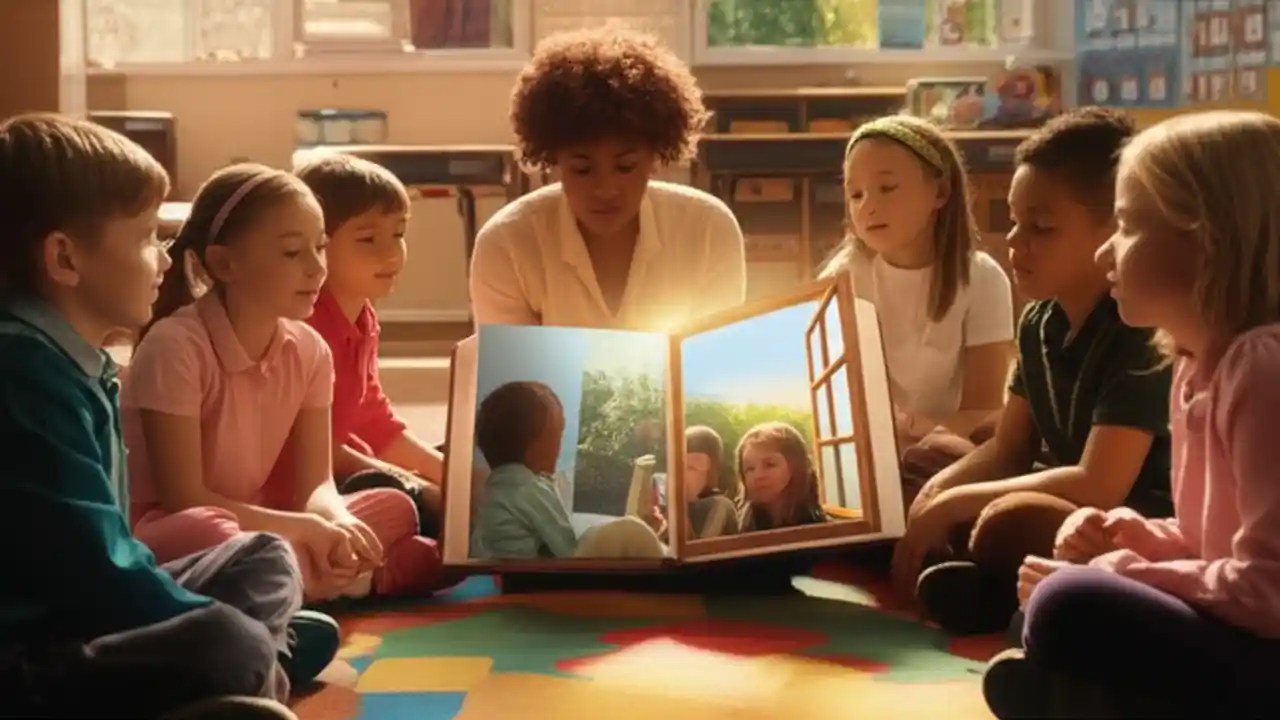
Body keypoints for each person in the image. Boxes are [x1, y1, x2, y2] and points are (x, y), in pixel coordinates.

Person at [0, 114, 309, 719]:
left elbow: (117, 561)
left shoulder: (76, 362)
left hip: (86, 612)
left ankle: (247, 675)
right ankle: (253, 665)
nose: (165, 260)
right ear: (64, 258)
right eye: (146, 237)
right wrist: (206, 621)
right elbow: (95, 574)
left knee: (263, 558)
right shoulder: (23, 371)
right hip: (31, 650)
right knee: (231, 640)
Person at [984, 110, 1280, 719]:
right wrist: (1133, 533)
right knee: (1063, 593)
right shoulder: (1195, 361)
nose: (1105, 249)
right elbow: (1210, 541)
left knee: (1070, 601)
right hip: (1246, 631)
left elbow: (1270, 591)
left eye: (1123, 225)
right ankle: (1066, 678)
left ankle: (1063, 679)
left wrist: (1128, 573)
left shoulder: (1262, 368)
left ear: (1205, 238)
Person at [896, 108, 1172, 636]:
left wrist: (951, 505)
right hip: (1056, 491)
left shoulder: (1141, 329)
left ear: (1115, 230)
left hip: (1123, 518)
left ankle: (1006, 593)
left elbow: (1098, 485)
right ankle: (986, 585)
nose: (1016, 242)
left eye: (1042, 228)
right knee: (923, 470)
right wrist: (934, 499)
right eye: (1014, 221)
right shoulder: (1038, 321)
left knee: (1006, 520)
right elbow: (1008, 447)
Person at [122, 163, 449, 601]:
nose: (317, 269)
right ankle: (354, 579)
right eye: (293, 253)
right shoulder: (175, 346)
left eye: (320, 248)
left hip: (262, 523)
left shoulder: (310, 350)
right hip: (170, 531)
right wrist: (307, 530)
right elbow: (185, 498)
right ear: (224, 262)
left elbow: (317, 484)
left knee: (394, 508)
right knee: (209, 530)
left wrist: (336, 521)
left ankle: (295, 583)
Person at [469, 26, 746, 332]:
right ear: (554, 159)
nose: (605, 189)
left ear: (654, 156)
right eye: (582, 169)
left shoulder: (707, 230)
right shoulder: (506, 244)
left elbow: (714, 369)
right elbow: (512, 378)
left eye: (625, 167)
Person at [818, 114, 1015, 504]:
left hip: (947, 448)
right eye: (855, 195)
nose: (869, 206)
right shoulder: (842, 278)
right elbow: (830, 399)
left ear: (940, 193)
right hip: (864, 448)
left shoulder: (983, 278)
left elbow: (984, 409)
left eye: (887, 187)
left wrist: (923, 431)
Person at [295, 153, 444, 537]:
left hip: (347, 458)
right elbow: (315, 450)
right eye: (367, 239)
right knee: (405, 502)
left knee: (457, 462)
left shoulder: (363, 317)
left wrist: (453, 478)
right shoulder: (306, 327)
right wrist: (421, 487)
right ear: (317, 245)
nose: (391, 252)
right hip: (306, 483)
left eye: (398, 233)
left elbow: (375, 421)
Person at [470, 381, 666, 560]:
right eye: (557, 434)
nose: (559, 446)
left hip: (516, 574)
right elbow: (567, 550)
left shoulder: (495, 488)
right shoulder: (527, 488)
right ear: (534, 447)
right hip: (532, 577)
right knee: (631, 532)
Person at [736, 422, 826, 532]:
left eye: (770, 465)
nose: (758, 475)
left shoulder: (823, 530)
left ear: (796, 466)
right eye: (750, 468)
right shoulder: (736, 529)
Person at [682, 425, 740, 539]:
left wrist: (679, 514)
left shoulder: (721, 505)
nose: (683, 475)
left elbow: (701, 548)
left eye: (691, 468)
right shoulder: (683, 506)